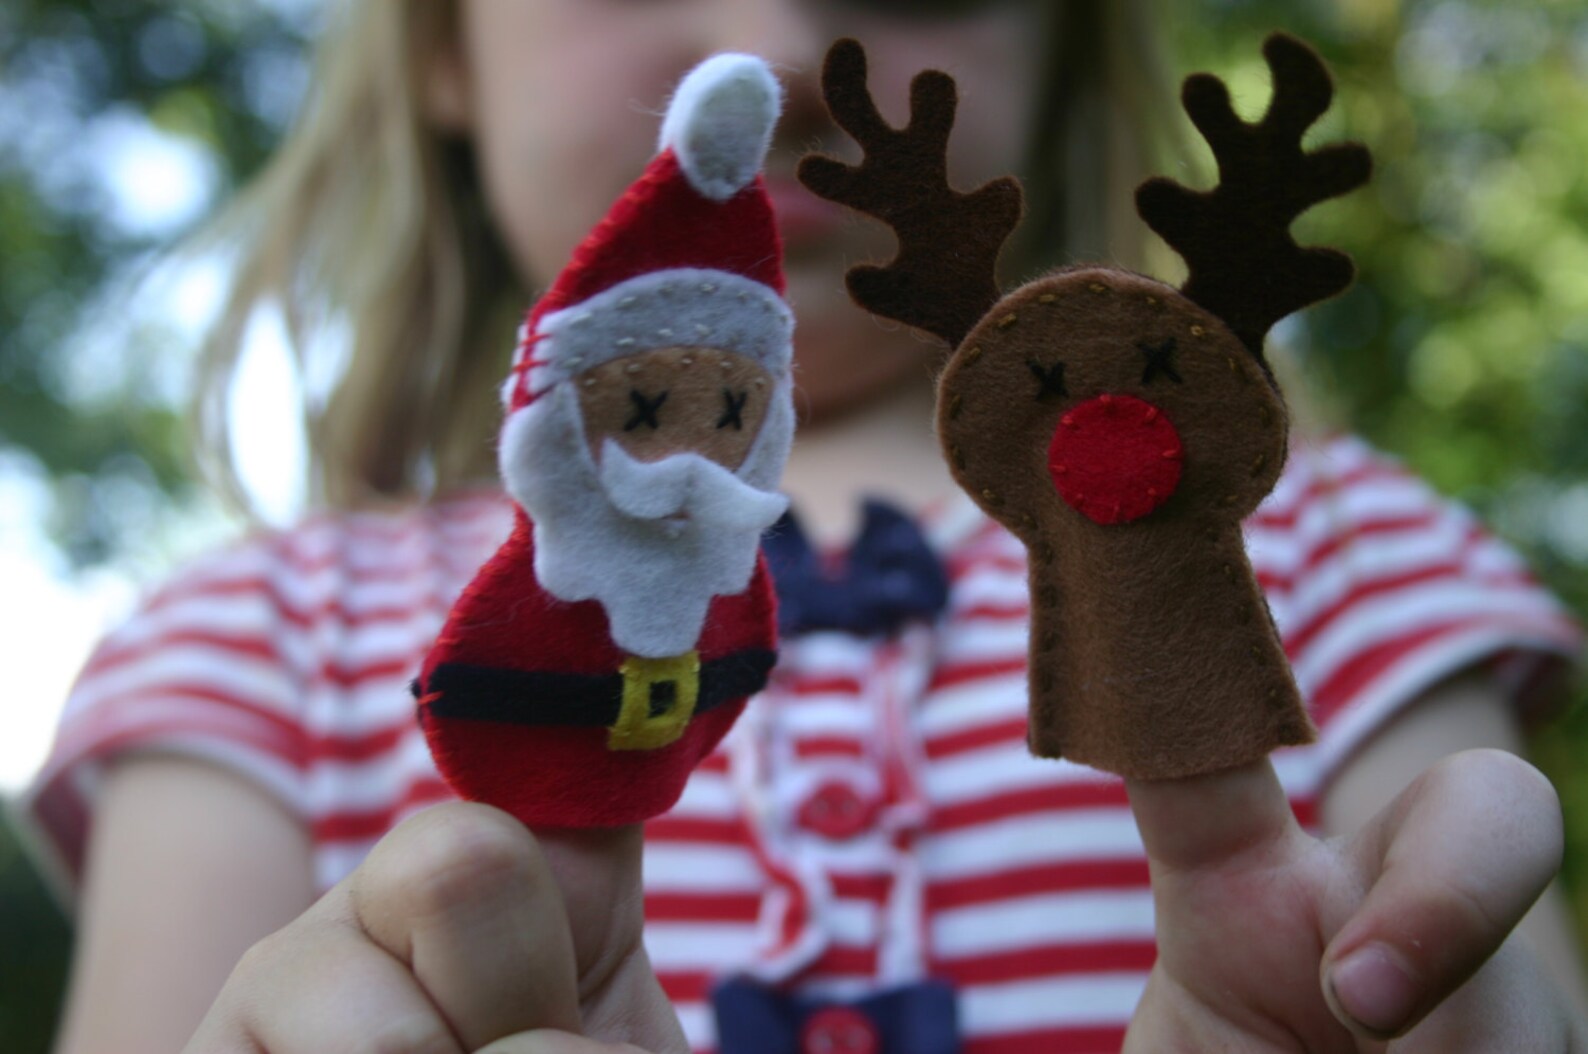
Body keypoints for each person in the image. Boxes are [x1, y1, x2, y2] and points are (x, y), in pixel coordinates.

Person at [23, 2, 1588, 1052]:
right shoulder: (256, 644)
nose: (774, 48)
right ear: (441, 42)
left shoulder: (1325, 543)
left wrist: (1443, 1001)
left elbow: (1467, 944)